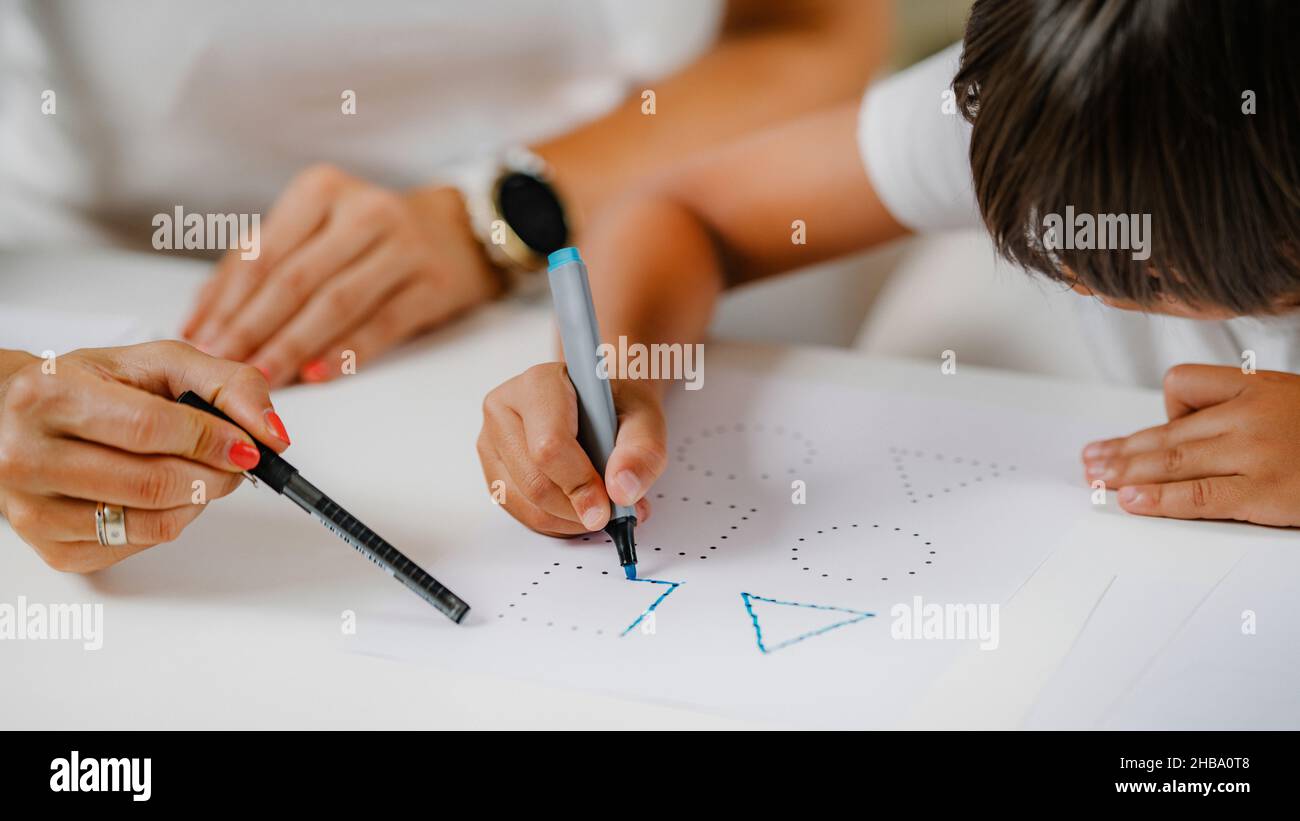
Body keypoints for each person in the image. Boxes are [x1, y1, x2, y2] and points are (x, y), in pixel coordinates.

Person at [0, 0, 890, 570]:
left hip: (676, 264)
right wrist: (11, 396)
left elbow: (813, 35)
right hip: (101, 307)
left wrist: (498, 213)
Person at [477, 0, 1300, 536]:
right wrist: (617, 374)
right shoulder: (1058, 94)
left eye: (1148, 280)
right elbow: (683, 214)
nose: (1077, 282)